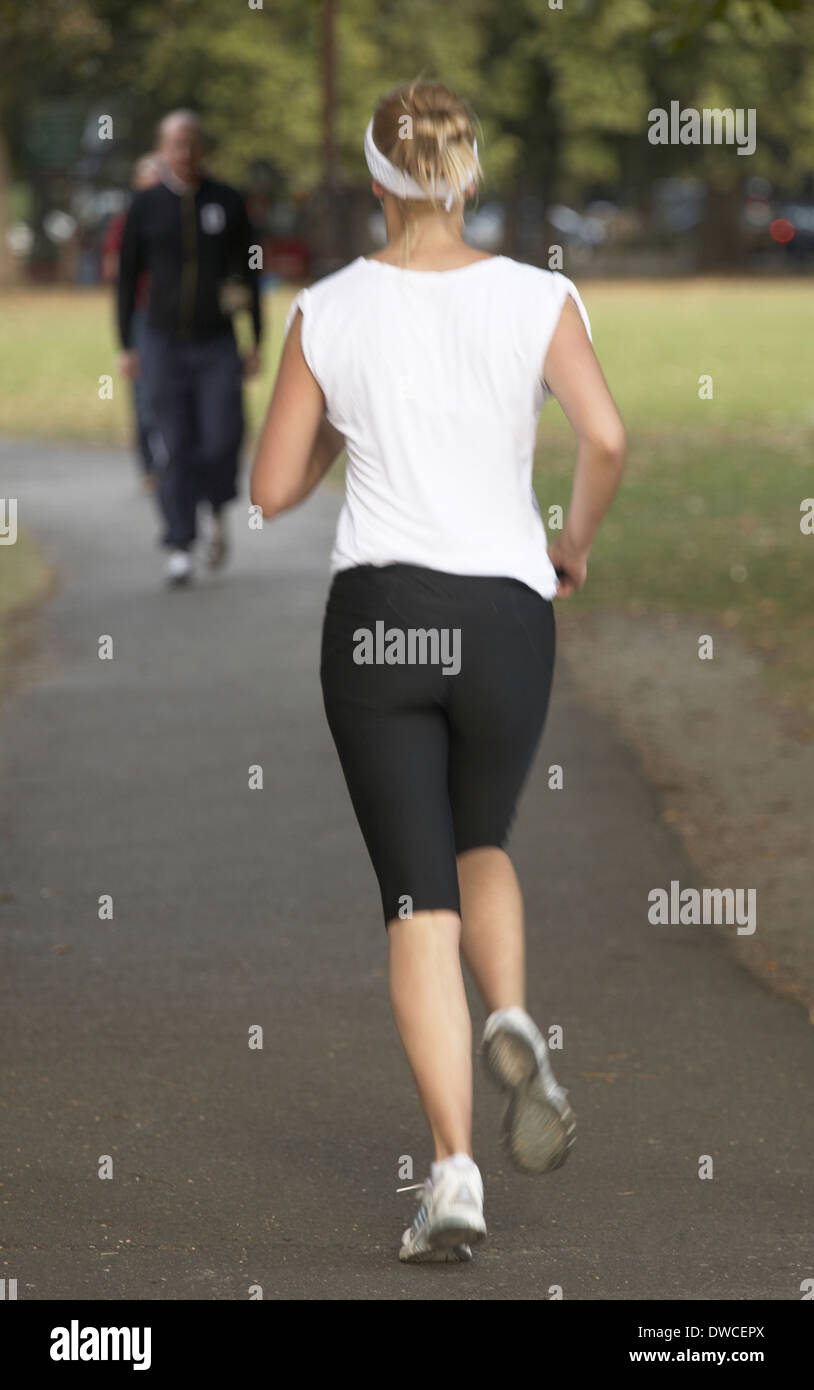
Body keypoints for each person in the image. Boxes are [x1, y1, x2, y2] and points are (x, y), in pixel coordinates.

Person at [250, 79, 626, 1264]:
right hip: (505, 614)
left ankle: (453, 1175)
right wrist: (570, 546)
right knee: (485, 842)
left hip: (378, 619)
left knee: (417, 898)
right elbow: (606, 436)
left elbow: (267, 491)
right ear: (464, 175)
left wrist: (337, 442)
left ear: (375, 180)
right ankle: (511, 1015)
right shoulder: (536, 295)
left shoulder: (326, 307)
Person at [116, 110, 263, 586]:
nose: (182, 154)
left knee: (222, 436)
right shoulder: (145, 206)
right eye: (173, 145)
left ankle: (216, 508)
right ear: (162, 151)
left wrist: (255, 337)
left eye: (190, 144)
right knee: (173, 444)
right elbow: (125, 277)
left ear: (202, 149)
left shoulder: (228, 201)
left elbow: (250, 271)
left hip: (216, 342)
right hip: (161, 342)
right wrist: (125, 344)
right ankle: (180, 541)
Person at [103, 154, 162, 490]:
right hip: (141, 312)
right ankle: (149, 467)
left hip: (174, 316)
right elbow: (114, 269)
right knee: (141, 393)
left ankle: (174, 460)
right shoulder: (125, 222)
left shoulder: (178, 216)